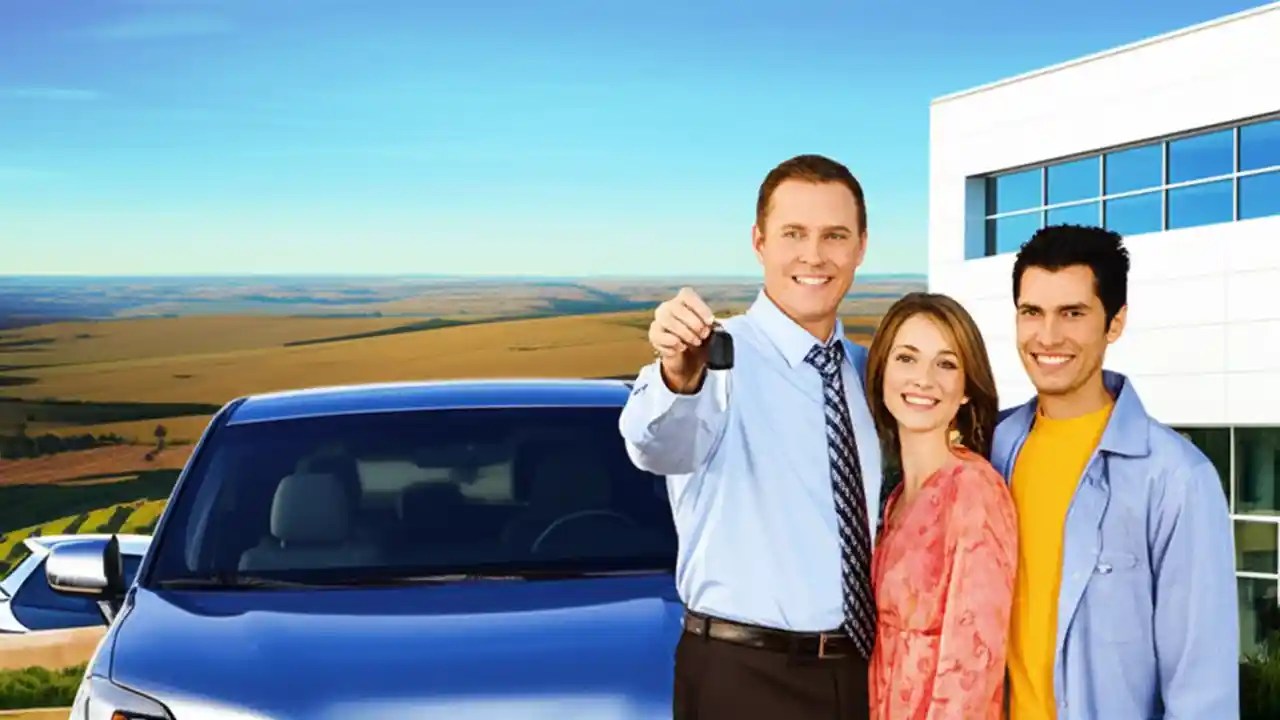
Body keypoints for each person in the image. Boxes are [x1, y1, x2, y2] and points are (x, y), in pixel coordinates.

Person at [618, 153, 881, 719]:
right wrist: (676, 375)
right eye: (794, 233)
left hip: (869, 675)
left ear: (861, 247)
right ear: (759, 241)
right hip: (744, 680)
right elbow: (656, 445)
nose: (814, 255)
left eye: (835, 235)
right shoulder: (711, 359)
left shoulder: (874, 374)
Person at [992, 224, 1239, 719]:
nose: (1047, 336)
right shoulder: (993, 448)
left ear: (1115, 323)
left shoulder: (1176, 479)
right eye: (1032, 312)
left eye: (1073, 313)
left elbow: (1202, 693)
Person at [862, 292, 1018, 720]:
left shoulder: (973, 492)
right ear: (882, 371)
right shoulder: (896, 500)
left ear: (966, 389)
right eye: (906, 358)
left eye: (946, 364)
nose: (923, 379)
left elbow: (973, 668)